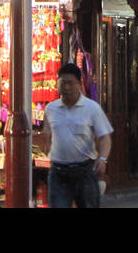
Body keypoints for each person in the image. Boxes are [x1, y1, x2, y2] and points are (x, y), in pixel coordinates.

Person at [42, 63, 113, 209]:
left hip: (84, 171)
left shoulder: (92, 108)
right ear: (57, 84)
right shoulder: (50, 109)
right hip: (58, 173)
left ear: (79, 84)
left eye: (70, 83)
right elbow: (47, 135)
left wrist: (103, 159)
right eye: (63, 83)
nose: (66, 87)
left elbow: (105, 137)